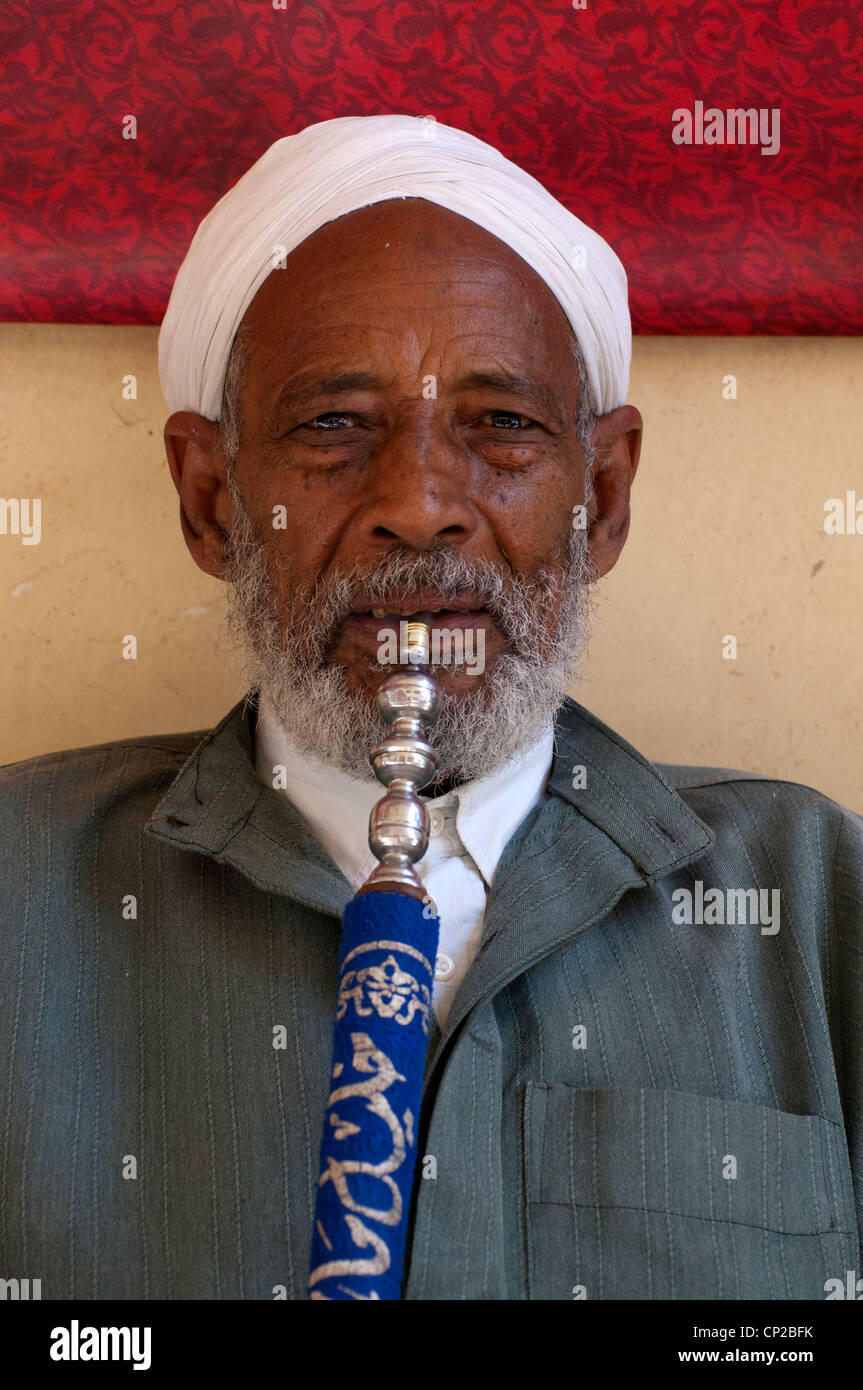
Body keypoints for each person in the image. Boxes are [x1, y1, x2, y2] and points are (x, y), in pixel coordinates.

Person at [1, 115, 860, 1301]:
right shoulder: (17, 888)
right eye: (333, 425)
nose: (418, 504)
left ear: (599, 499)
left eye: (500, 424)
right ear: (209, 501)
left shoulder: (813, 904)